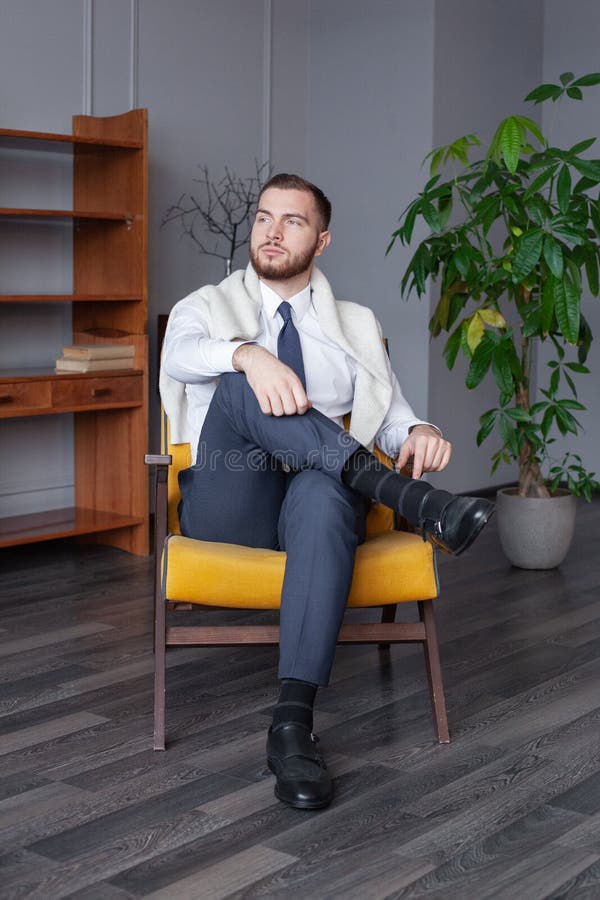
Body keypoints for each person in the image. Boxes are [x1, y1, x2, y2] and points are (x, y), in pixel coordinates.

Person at [160, 173, 493, 811]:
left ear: (323, 240)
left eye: (293, 221)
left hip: (316, 509)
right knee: (240, 380)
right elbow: (178, 358)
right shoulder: (205, 308)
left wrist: (421, 428)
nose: (273, 232)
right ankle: (419, 503)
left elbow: (392, 417)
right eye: (264, 218)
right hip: (233, 503)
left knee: (319, 486)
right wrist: (249, 357)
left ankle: (291, 726)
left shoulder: (356, 326)